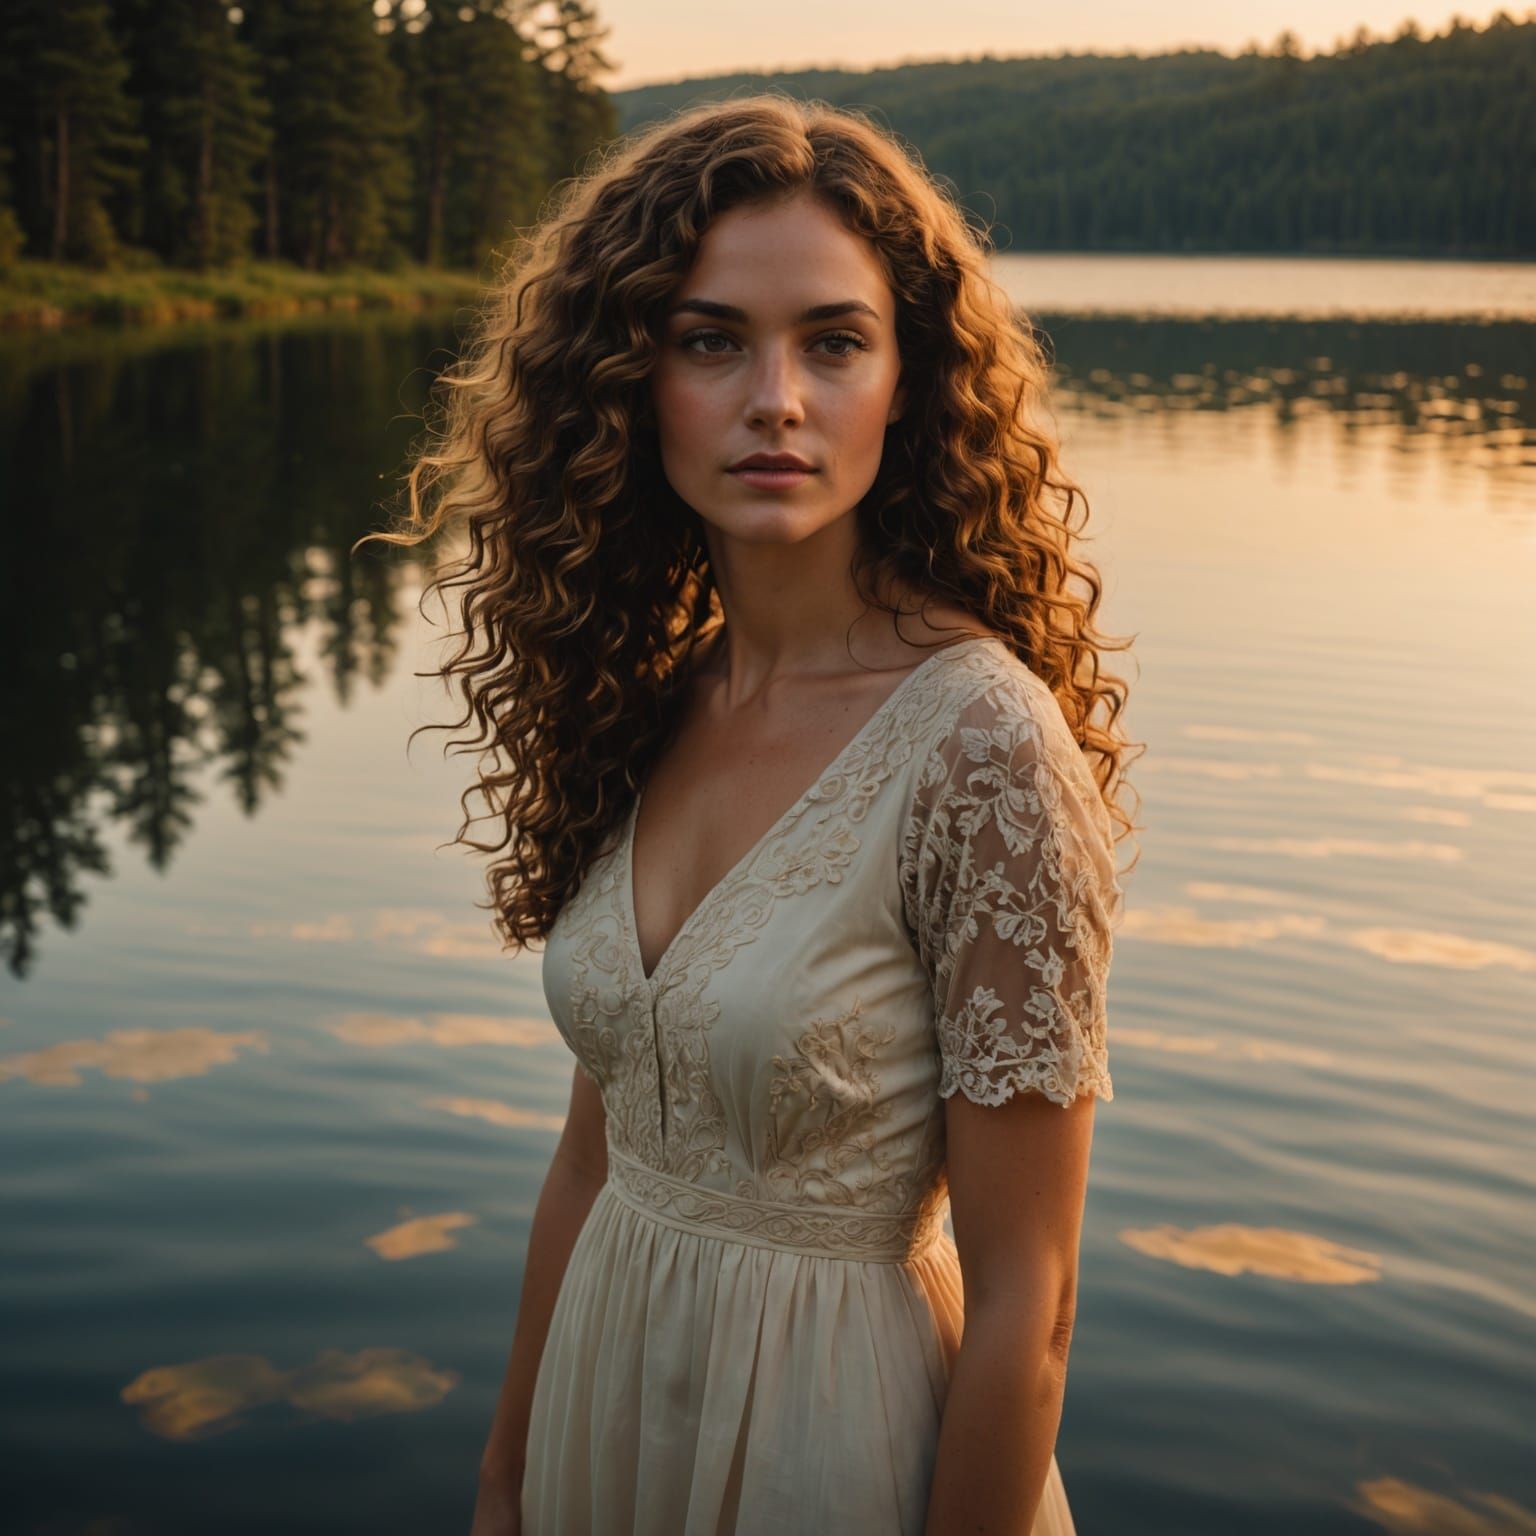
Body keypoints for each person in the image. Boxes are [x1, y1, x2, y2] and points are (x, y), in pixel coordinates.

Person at [366, 91, 1140, 1536]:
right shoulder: (647, 701)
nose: (775, 397)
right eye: (711, 340)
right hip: (606, 1412)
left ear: (907, 382)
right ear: (630, 379)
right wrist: (506, 1478)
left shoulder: (981, 746)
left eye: (833, 341)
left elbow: (1031, 1302)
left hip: (834, 1443)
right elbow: (592, 1160)